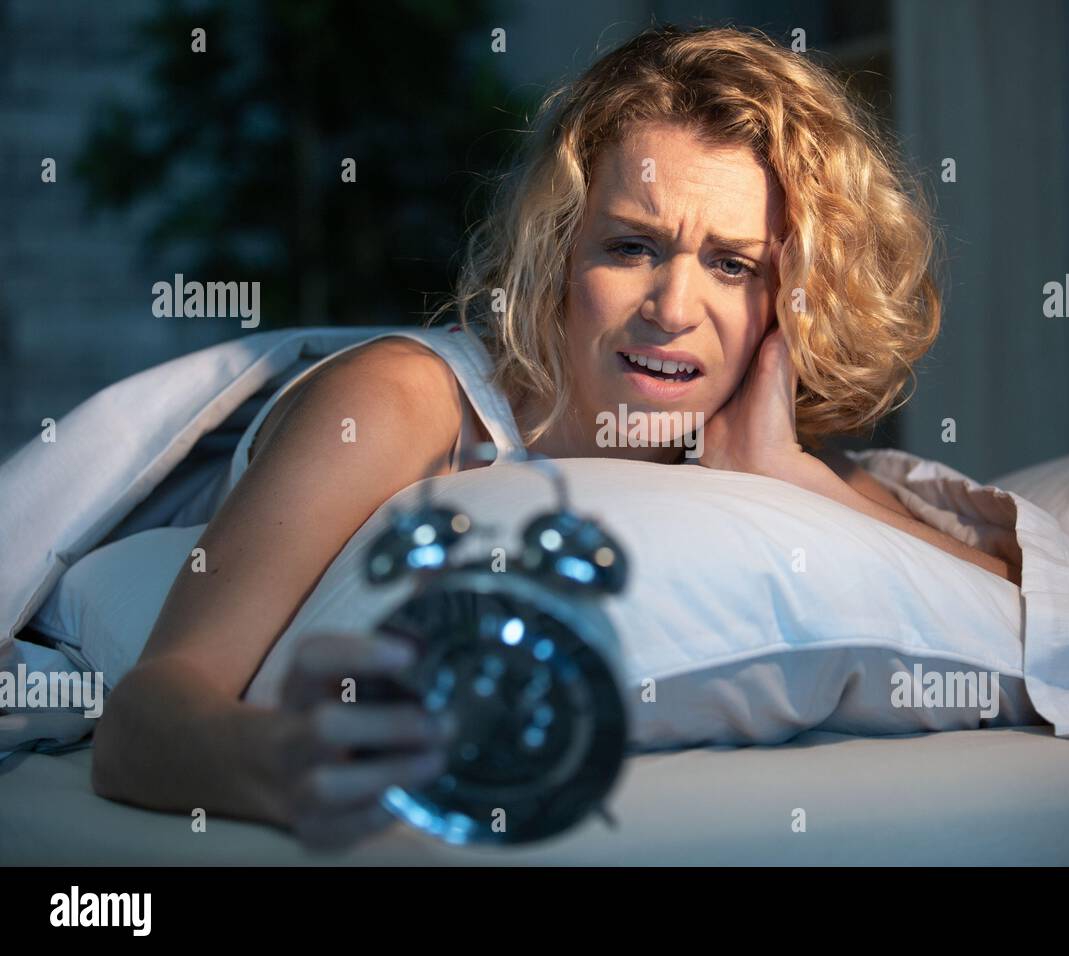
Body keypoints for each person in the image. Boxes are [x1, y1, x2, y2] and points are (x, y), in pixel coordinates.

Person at [92, 24, 1021, 849]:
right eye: (631, 247)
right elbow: (143, 721)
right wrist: (295, 763)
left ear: (790, 303)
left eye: (733, 265)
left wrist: (788, 475)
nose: (672, 309)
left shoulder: (747, 442)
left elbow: (1035, 616)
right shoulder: (397, 403)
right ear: (559, 253)